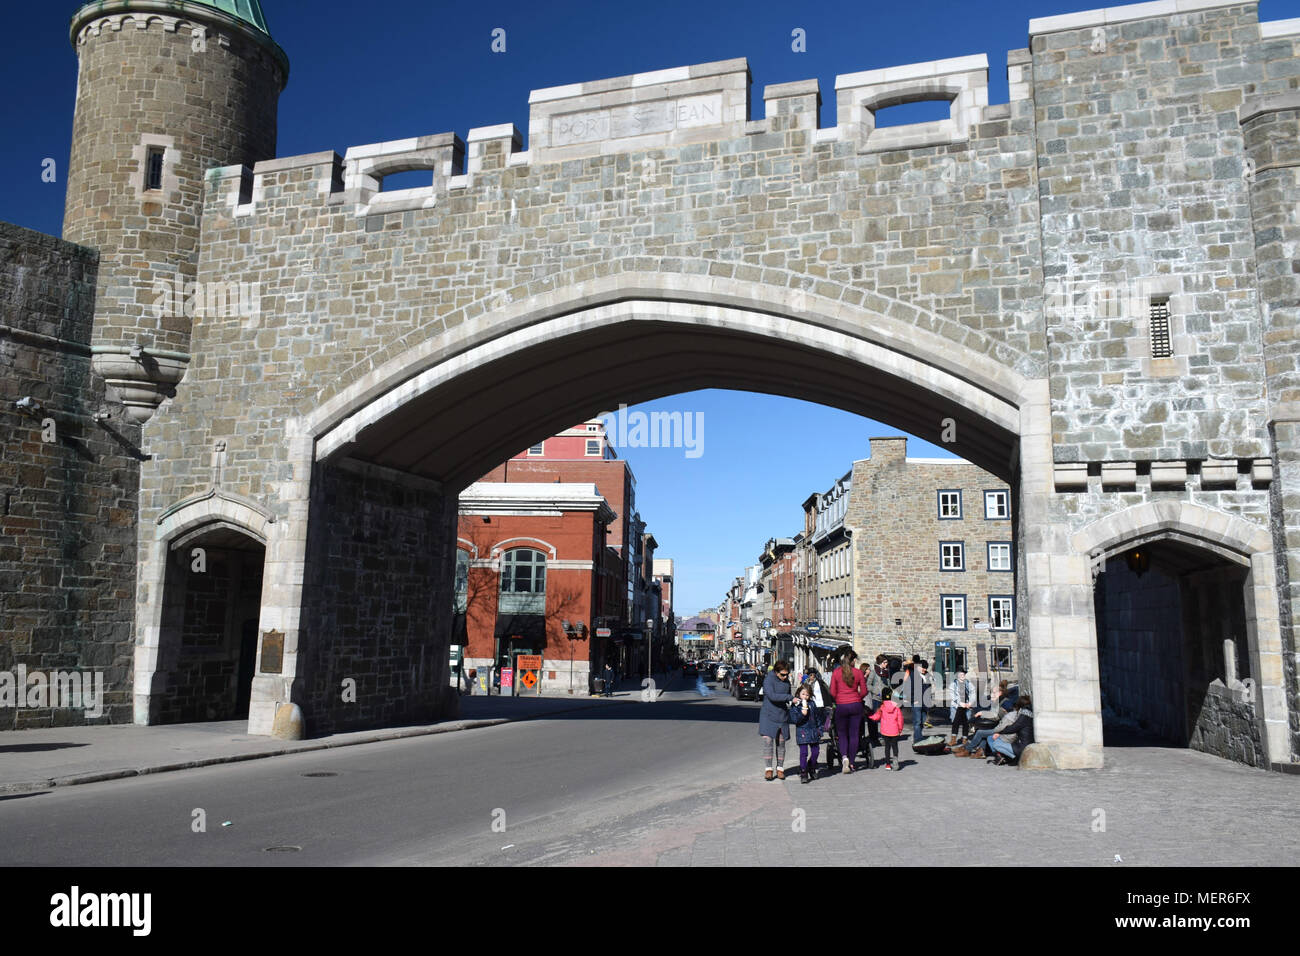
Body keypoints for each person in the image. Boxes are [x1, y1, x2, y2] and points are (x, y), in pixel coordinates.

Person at [829, 650, 867, 774]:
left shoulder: (836, 672)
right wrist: (858, 697)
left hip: (841, 705)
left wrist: (839, 698)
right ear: (854, 660)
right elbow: (864, 691)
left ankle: (844, 757)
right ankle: (851, 762)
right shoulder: (858, 673)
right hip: (856, 705)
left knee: (842, 734)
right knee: (854, 734)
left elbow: (832, 692)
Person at [953, 688, 1017, 758]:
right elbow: (987, 710)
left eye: (994, 693)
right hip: (1001, 728)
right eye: (991, 693)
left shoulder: (1006, 703)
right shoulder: (998, 702)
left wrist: (981, 713)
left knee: (980, 732)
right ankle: (980, 751)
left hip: (1005, 731)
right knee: (983, 730)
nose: (992, 695)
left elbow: (996, 716)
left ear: (1000, 693)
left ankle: (967, 750)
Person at [759, 660, 794, 780]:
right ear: (776, 672)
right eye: (782, 674)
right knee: (768, 742)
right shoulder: (769, 680)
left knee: (781, 743)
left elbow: (788, 695)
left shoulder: (787, 681)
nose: (785, 677)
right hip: (768, 715)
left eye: (787, 674)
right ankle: (768, 769)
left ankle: (780, 769)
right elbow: (772, 696)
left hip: (781, 715)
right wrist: (789, 697)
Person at [790, 682, 824, 784]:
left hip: (813, 731)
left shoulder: (812, 704)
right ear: (798, 694)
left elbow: (818, 718)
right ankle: (804, 771)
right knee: (803, 753)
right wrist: (802, 713)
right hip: (802, 731)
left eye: (807, 695)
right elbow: (795, 720)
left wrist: (820, 729)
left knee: (816, 752)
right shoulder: (796, 705)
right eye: (803, 694)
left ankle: (811, 767)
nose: (805, 696)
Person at [987, 694, 1034, 765]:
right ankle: (1012, 758)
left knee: (996, 744)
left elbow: (1013, 728)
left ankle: (1015, 758)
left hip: (1022, 746)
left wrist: (1001, 732)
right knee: (995, 740)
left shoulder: (1024, 716)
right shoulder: (1027, 714)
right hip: (1022, 743)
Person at [868, 686, 905, 770]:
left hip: (885, 732)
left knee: (887, 747)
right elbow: (900, 720)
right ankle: (895, 760)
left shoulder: (882, 708)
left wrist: (870, 716)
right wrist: (900, 729)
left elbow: (877, 716)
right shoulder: (896, 708)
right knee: (895, 746)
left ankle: (888, 764)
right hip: (895, 731)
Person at [904, 657, 930, 743]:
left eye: (926, 668)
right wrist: (912, 699)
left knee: (922, 721)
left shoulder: (927, 675)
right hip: (916, 701)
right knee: (917, 721)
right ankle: (917, 739)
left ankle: (919, 735)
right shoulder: (913, 675)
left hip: (924, 702)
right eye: (923, 667)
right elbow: (908, 689)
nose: (925, 669)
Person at [949, 668, 975, 745]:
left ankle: (963, 739)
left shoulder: (968, 684)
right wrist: (960, 703)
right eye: (961, 674)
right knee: (955, 721)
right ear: (957, 676)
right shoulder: (953, 684)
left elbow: (973, 693)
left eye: (963, 674)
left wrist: (970, 703)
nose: (962, 675)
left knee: (965, 723)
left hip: (967, 705)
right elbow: (953, 696)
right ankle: (955, 739)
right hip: (957, 706)